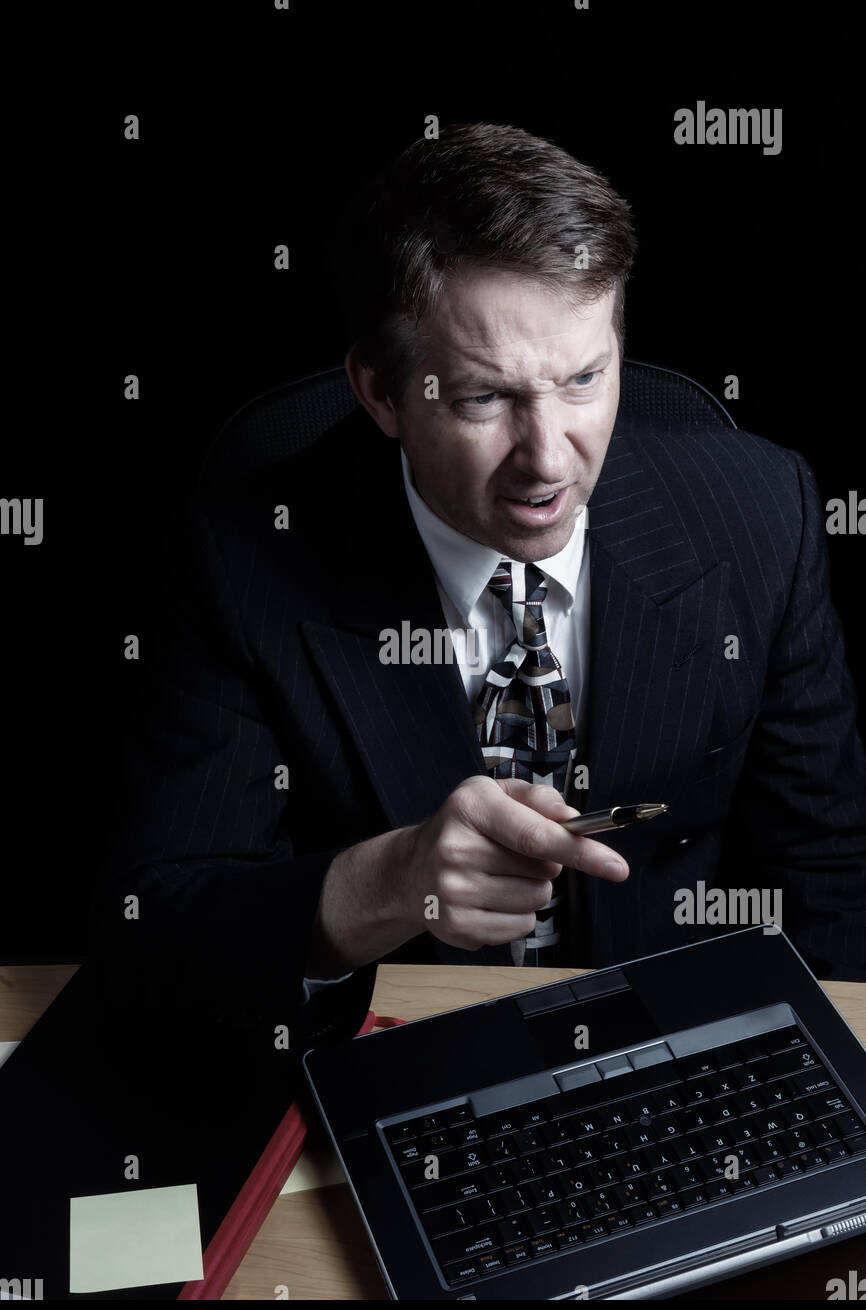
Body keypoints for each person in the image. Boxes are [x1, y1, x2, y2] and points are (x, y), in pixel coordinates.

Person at [97, 122, 866, 1059]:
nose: (549, 458)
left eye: (585, 379)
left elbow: (828, 880)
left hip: (689, 1054)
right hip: (398, 1063)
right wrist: (386, 883)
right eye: (483, 400)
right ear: (380, 394)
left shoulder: (760, 511)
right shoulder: (241, 562)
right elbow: (159, 932)